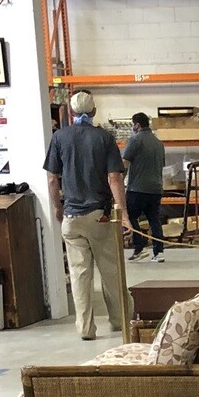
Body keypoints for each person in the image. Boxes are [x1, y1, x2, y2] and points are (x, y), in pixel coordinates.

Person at [43, 90, 133, 340]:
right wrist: (123, 213)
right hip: (99, 217)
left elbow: (52, 179)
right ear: (93, 111)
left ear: (70, 112)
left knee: (79, 275)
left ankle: (85, 329)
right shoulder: (104, 138)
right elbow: (114, 177)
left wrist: (58, 208)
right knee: (111, 271)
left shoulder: (59, 137)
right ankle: (121, 321)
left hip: (71, 219)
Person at [122, 112, 167, 263]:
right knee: (154, 219)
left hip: (137, 188)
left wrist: (119, 182)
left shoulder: (135, 140)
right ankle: (158, 252)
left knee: (130, 216)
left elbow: (125, 163)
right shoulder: (158, 143)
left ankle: (139, 246)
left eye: (133, 125)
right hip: (156, 188)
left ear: (137, 125)